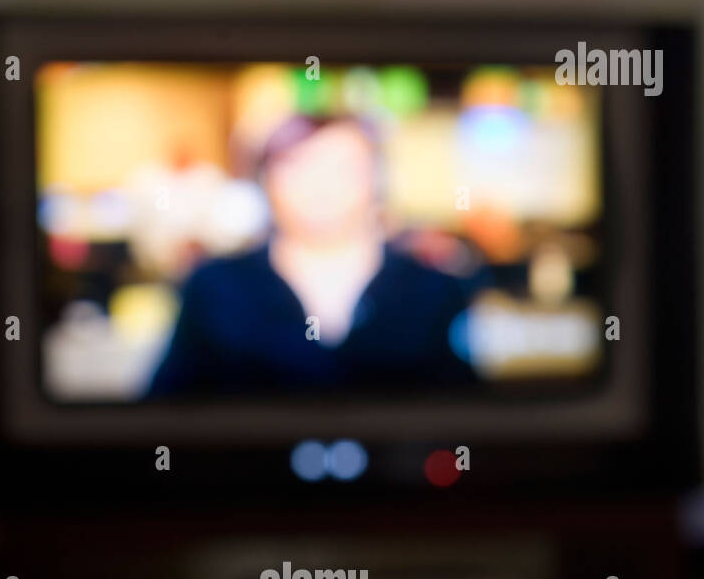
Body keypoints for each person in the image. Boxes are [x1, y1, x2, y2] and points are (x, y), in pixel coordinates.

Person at [147, 115, 481, 394]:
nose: (321, 184)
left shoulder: (432, 288)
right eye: (298, 165)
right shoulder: (215, 286)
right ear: (266, 181)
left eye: (343, 167)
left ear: (377, 180)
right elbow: (167, 409)